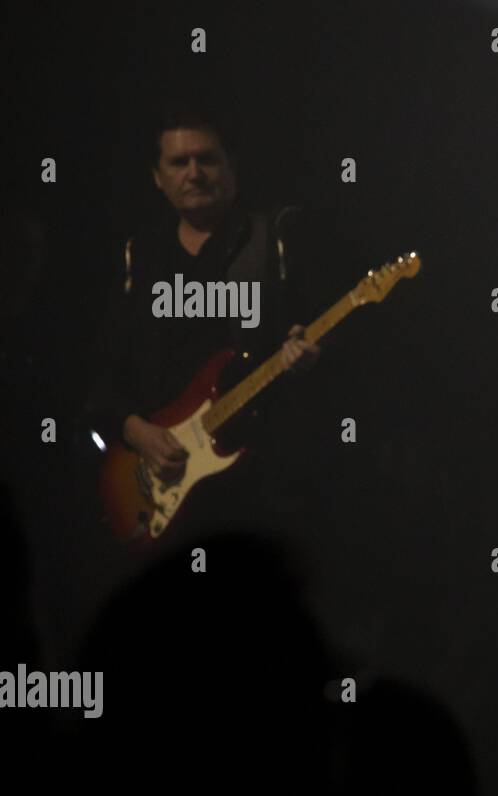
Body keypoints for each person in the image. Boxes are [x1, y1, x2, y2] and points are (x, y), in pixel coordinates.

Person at [87, 107, 320, 539]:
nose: (194, 173)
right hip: (159, 488)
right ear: (157, 177)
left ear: (232, 167)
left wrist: (305, 357)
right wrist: (136, 431)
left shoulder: (272, 242)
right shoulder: (139, 256)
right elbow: (102, 374)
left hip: (254, 488)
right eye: (179, 162)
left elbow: (317, 346)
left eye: (207, 159)